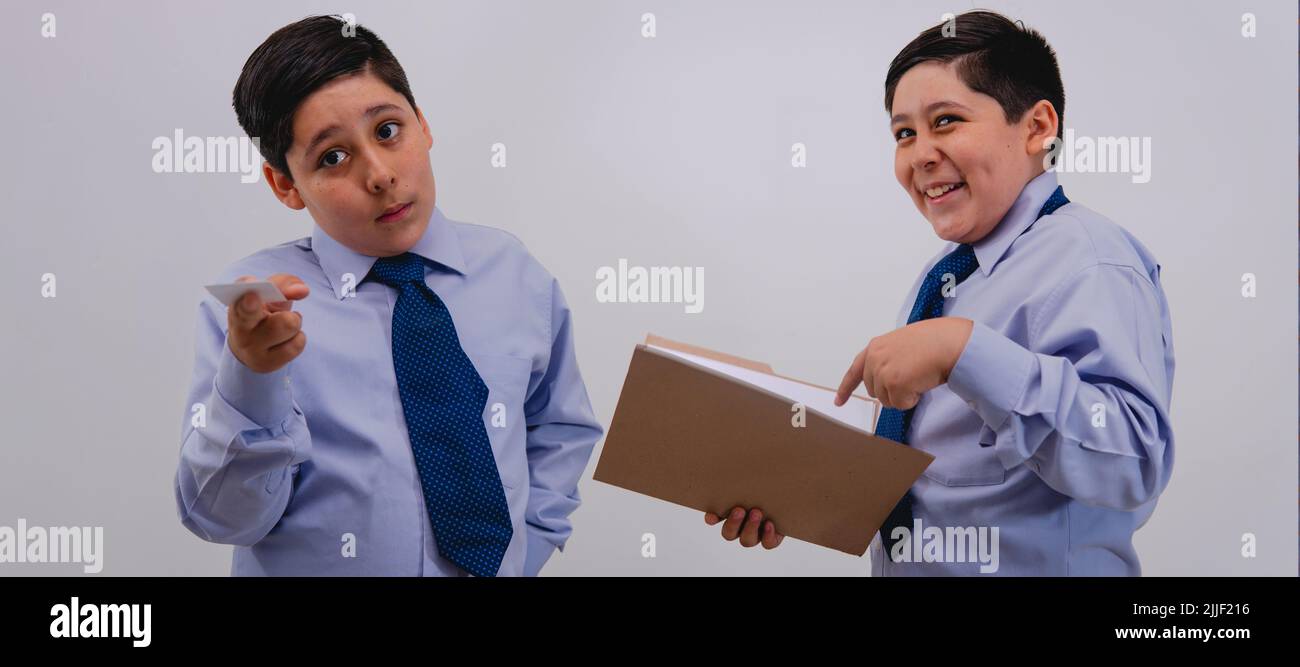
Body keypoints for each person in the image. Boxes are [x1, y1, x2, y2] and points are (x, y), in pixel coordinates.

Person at [707, 10, 1175, 575]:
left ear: (1036, 128)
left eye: (947, 120)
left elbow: (1134, 460)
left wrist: (965, 352)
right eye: (904, 133)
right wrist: (796, 495)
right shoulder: (949, 276)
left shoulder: (1093, 260)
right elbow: (938, 477)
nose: (920, 154)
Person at [174, 15, 603, 576]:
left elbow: (558, 428)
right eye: (332, 157)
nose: (379, 175)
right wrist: (251, 376)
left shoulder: (515, 275)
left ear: (423, 125)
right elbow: (224, 521)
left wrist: (526, 547)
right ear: (285, 185)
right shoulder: (256, 311)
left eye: (387, 131)